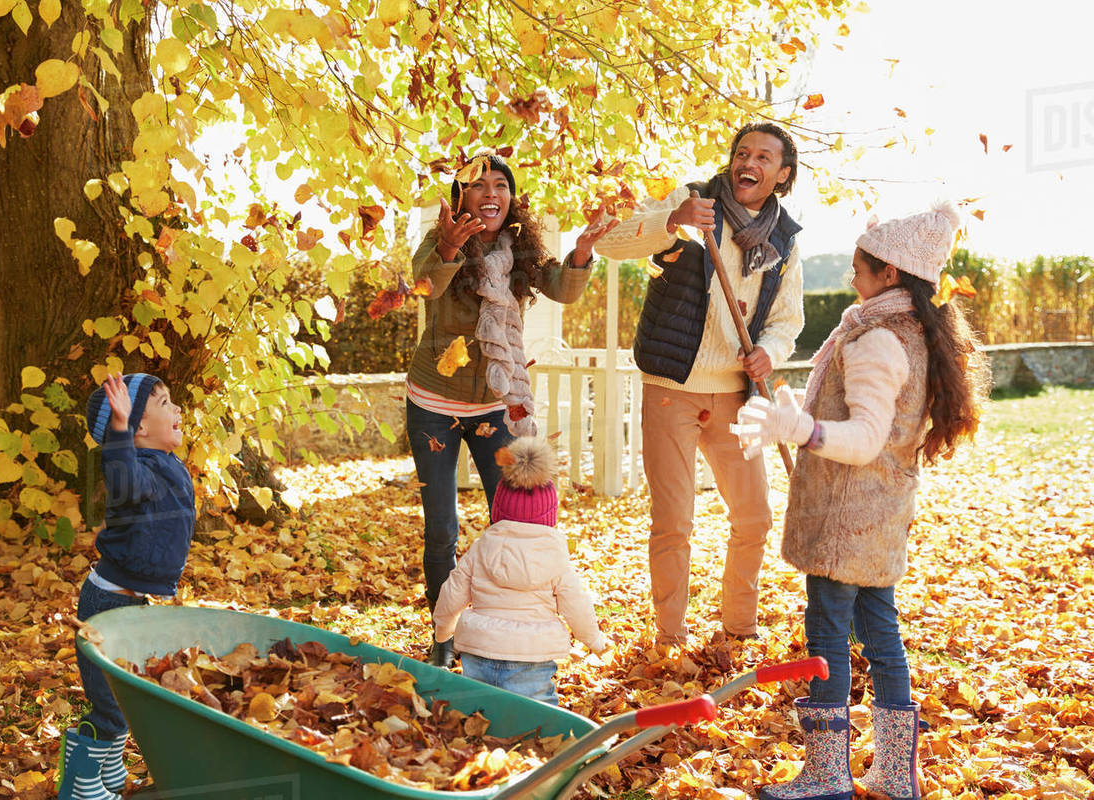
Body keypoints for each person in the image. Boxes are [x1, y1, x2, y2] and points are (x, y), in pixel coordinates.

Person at [731, 202, 988, 800]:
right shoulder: (913, 335)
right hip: (880, 514)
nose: (851, 278)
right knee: (881, 634)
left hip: (846, 517)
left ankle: (826, 774)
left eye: (859, 268)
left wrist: (801, 431)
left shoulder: (877, 342)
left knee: (826, 639)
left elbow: (867, 439)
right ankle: (897, 775)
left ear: (890, 275)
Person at [593, 122, 805, 646]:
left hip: (736, 393)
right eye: (742, 152)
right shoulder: (694, 202)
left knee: (754, 516)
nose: (747, 163)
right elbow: (612, 243)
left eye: (763, 157)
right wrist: (673, 219)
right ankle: (670, 638)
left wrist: (767, 352)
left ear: (781, 175)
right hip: (672, 387)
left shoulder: (784, 240)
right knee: (674, 520)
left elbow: (787, 320)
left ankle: (738, 629)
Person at [407, 154, 617, 666]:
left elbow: (563, 288)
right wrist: (451, 246)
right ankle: (443, 636)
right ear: (461, 199)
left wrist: (582, 254)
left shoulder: (520, 250)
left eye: (500, 184)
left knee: (517, 521)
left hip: (495, 406)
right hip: (433, 403)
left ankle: (511, 625)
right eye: (478, 185)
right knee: (442, 527)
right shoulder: (436, 244)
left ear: (510, 198)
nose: (490, 193)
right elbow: (427, 283)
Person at [58, 373, 195, 800]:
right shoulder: (135, 475)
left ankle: (110, 771)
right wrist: (117, 429)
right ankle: (80, 786)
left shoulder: (164, 464)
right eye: (166, 404)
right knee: (111, 704)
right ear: (138, 429)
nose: (177, 410)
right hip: (105, 605)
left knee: (125, 698)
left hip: (130, 603)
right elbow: (122, 473)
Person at [432, 437, 610, 703]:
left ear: (498, 509)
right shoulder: (555, 557)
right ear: (549, 514)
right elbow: (576, 603)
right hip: (531, 657)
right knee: (537, 716)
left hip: (480, 651)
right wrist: (594, 640)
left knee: (477, 710)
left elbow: (452, 592)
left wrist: (443, 631)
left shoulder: (482, 548)